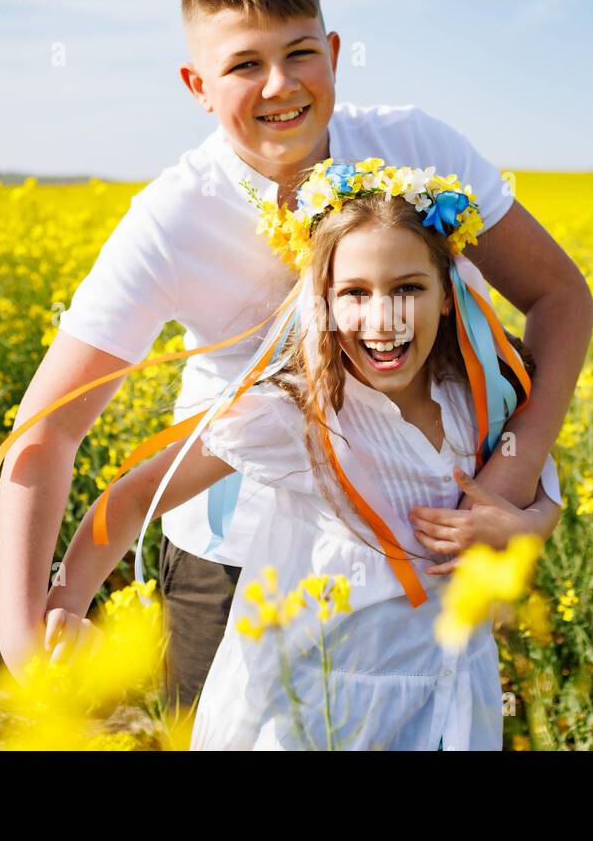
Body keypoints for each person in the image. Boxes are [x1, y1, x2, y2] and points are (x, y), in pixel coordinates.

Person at [0, 0, 593, 704]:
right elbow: (50, 430)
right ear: (197, 85)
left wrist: (505, 485)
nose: (279, 85)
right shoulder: (171, 220)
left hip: (411, 549)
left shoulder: (416, 147)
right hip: (232, 558)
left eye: (300, 53)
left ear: (335, 53)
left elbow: (560, 298)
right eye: (244, 64)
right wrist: (29, 630)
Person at [41, 159, 564, 749]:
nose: (383, 317)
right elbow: (137, 496)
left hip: (449, 700)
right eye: (355, 293)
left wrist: (530, 525)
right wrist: (67, 600)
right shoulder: (294, 412)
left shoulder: (480, 393)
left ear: (448, 296)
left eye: (409, 289)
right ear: (323, 302)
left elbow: (543, 487)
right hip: (317, 714)